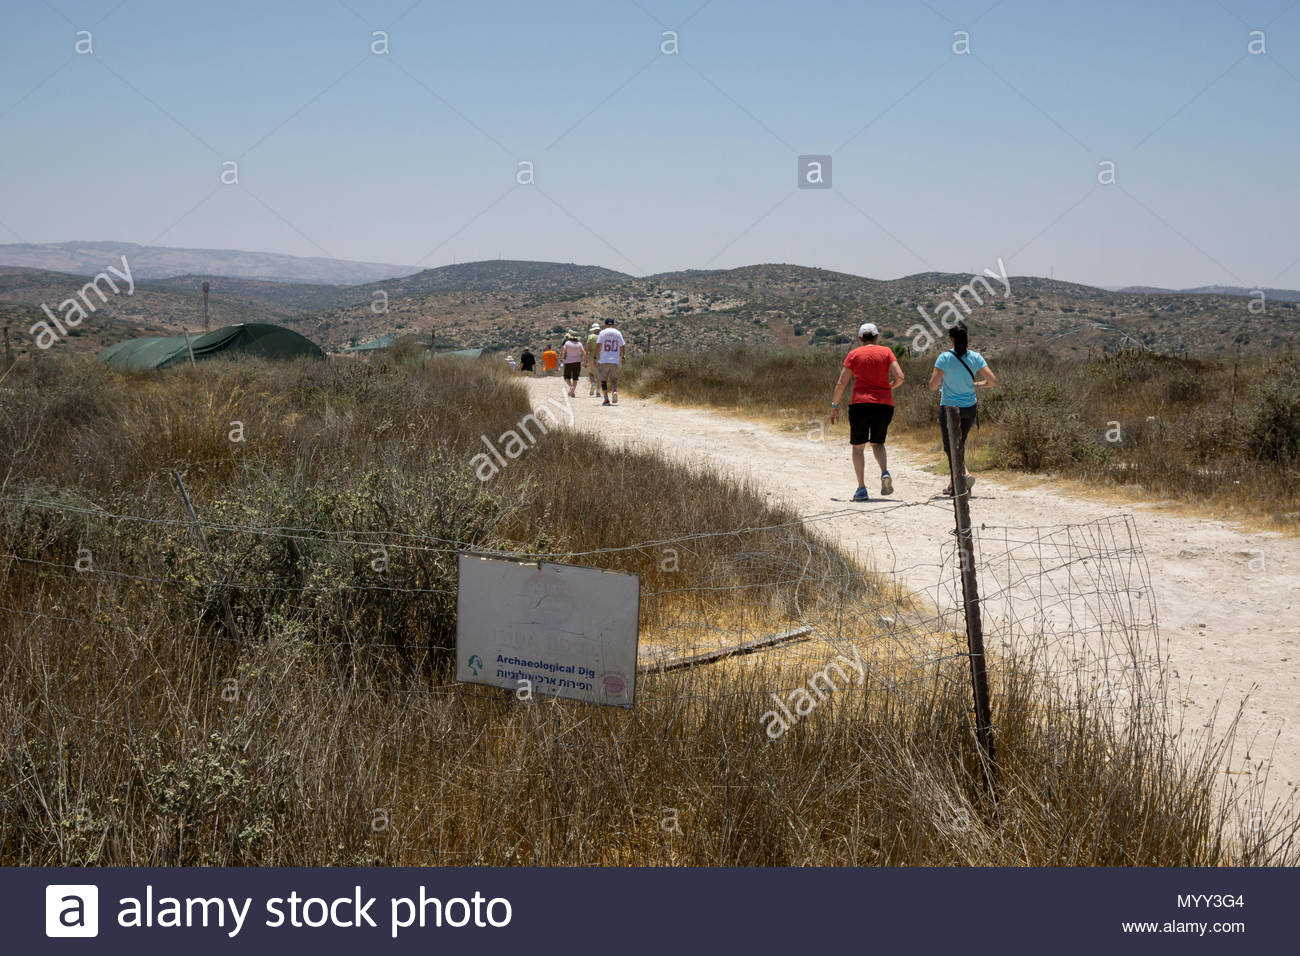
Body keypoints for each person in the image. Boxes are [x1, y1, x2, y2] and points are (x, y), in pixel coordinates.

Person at [829, 322, 904, 502]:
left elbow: (841, 383)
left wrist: (834, 406)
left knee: (858, 447)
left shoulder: (853, 355)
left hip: (860, 404)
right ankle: (884, 471)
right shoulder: (886, 352)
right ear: (877, 337)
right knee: (878, 443)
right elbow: (900, 376)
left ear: (860, 338)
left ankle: (861, 488)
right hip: (884, 404)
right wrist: (890, 387)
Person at [928, 321, 997, 496]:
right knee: (960, 444)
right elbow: (992, 381)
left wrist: (944, 380)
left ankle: (964, 476)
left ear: (950, 338)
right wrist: (975, 385)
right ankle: (954, 484)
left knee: (950, 447)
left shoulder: (944, 358)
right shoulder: (976, 357)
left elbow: (933, 386)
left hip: (950, 408)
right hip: (969, 407)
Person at [595, 317, 625, 406]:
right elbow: (622, 346)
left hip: (604, 360)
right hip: (615, 360)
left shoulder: (602, 333)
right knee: (614, 379)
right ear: (613, 324)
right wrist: (623, 357)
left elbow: (598, 345)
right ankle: (615, 391)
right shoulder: (618, 333)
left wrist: (595, 357)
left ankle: (606, 399)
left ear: (605, 324)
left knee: (603, 380)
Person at [560, 330, 586, 398]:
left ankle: (571, 387)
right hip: (577, 362)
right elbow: (584, 353)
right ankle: (573, 392)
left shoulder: (567, 343)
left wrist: (561, 359)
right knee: (575, 378)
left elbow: (563, 352)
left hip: (568, 362)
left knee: (566, 377)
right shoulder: (579, 344)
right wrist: (585, 362)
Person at [585, 323, 601, 396]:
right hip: (601, 356)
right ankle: (598, 391)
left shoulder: (590, 337)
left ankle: (593, 384)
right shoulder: (602, 337)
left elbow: (587, 349)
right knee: (600, 374)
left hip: (591, 356)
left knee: (591, 373)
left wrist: (585, 360)